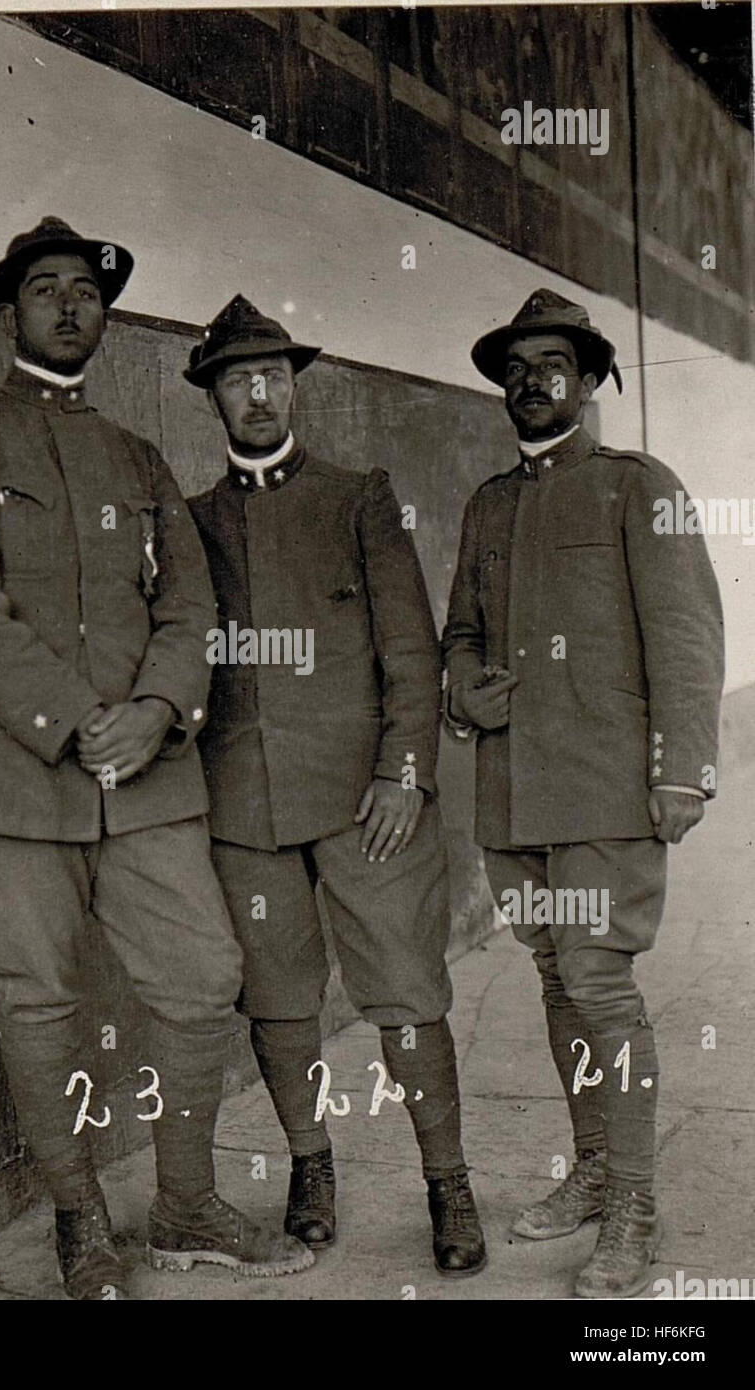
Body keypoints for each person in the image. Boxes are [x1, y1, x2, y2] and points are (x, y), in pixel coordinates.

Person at [0, 221, 312, 1299]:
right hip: (9, 775)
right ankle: (78, 1223)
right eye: (45, 290)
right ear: (8, 315)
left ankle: (184, 1204)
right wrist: (78, 718)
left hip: (148, 774)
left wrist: (159, 708)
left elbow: (190, 605)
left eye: (86, 290)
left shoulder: (138, 460)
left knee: (203, 976)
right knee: (37, 1000)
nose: (70, 306)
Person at [184, 294, 486, 1277]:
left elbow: (410, 650)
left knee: (405, 995)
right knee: (278, 1004)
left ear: (294, 386)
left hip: (367, 804)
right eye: (238, 379)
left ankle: (449, 1182)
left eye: (272, 375)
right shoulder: (192, 523)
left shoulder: (360, 496)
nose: (259, 393)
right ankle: (311, 1166)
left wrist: (406, 772)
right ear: (215, 398)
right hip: (247, 808)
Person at [442, 288, 723, 1297]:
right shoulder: (487, 504)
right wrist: (463, 687)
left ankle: (635, 1204)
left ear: (591, 377)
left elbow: (687, 638)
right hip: (514, 794)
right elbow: (461, 635)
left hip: (606, 791)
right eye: (515, 365)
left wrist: (682, 767)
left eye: (552, 361)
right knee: (560, 985)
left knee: (601, 986)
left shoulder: (635, 486)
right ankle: (598, 1168)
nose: (531, 378)